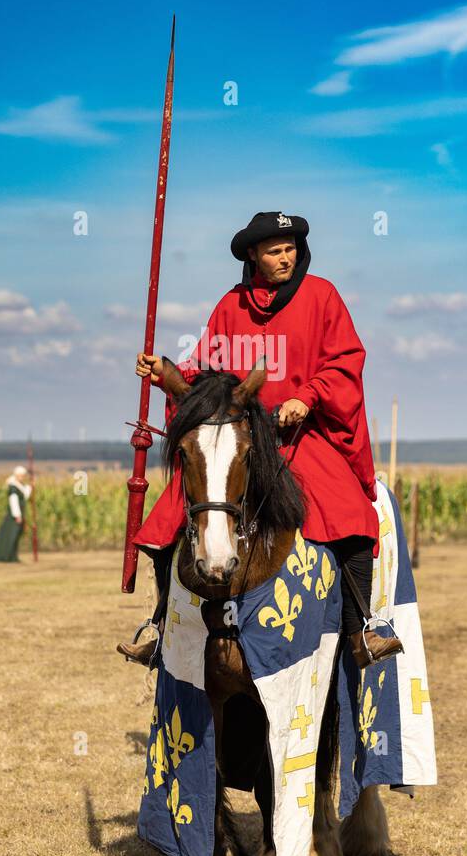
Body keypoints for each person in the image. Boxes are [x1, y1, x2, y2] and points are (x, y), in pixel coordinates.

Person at [131, 210, 388, 665]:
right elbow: (203, 371)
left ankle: (361, 630)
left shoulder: (323, 296)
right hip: (240, 437)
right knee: (166, 522)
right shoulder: (232, 305)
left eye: (290, 249)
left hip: (302, 437)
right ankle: (159, 625)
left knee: (350, 517)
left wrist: (307, 397)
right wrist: (164, 372)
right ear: (254, 255)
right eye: (274, 251)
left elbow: (346, 361)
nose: (285, 258)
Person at [0, 465, 33, 563]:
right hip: (14, 517)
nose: (22, 477)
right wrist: (17, 516)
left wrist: (31, 486)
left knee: (15, 537)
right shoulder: (13, 487)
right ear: (17, 475)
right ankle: (4, 556)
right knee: (10, 536)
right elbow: (14, 503)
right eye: (21, 476)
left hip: (19, 516)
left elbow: (25, 494)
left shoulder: (19, 486)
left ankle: (12, 556)